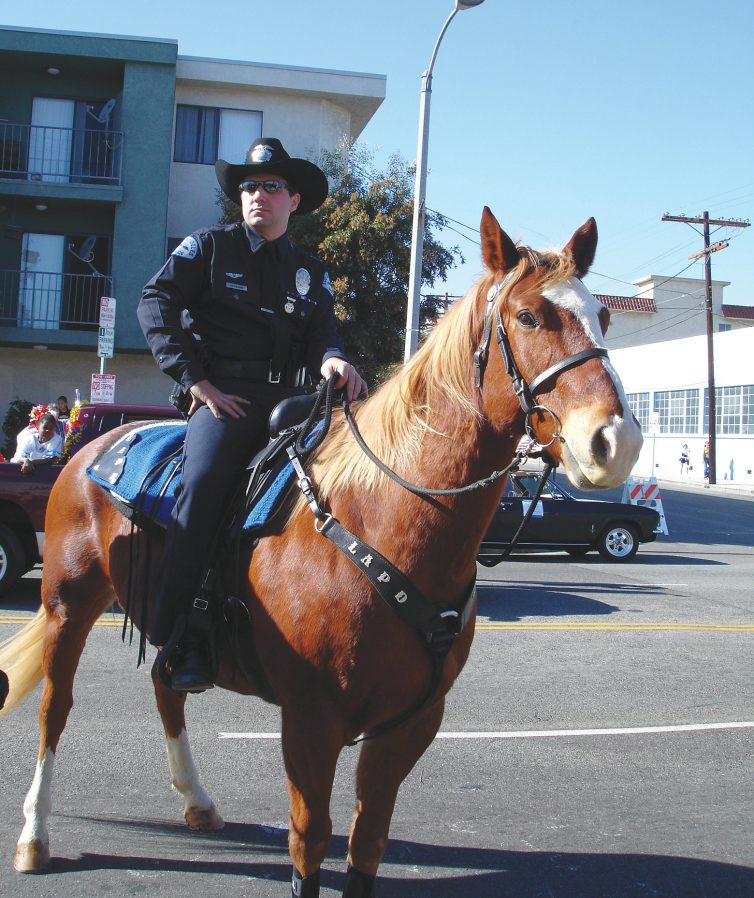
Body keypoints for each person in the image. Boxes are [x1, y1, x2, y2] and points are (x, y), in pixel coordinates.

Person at [137, 137, 367, 692]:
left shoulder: (311, 272)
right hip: (227, 400)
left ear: (293, 200)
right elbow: (154, 302)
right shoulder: (208, 247)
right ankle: (181, 633)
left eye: (271, 186)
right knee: (206, 485)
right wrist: (196, 381)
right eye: (248, 186)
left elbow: (323, 336)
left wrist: (336, 360)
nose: (258, 194)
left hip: (293, 404)